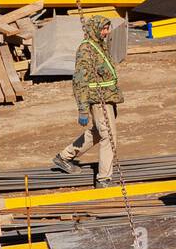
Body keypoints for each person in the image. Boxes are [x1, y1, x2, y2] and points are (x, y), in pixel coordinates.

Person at [52, 16, 124, 188]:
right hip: (98, 100)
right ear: (94, 29)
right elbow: (80, 81)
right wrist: (83, 109)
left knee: (99, 133)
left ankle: (64, 157)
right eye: (103, 29)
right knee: (110, 136)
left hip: (108, 99)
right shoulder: (86, 49)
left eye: (107, 28)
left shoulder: (99, 45)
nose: (106, 32)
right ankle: (104, 179)